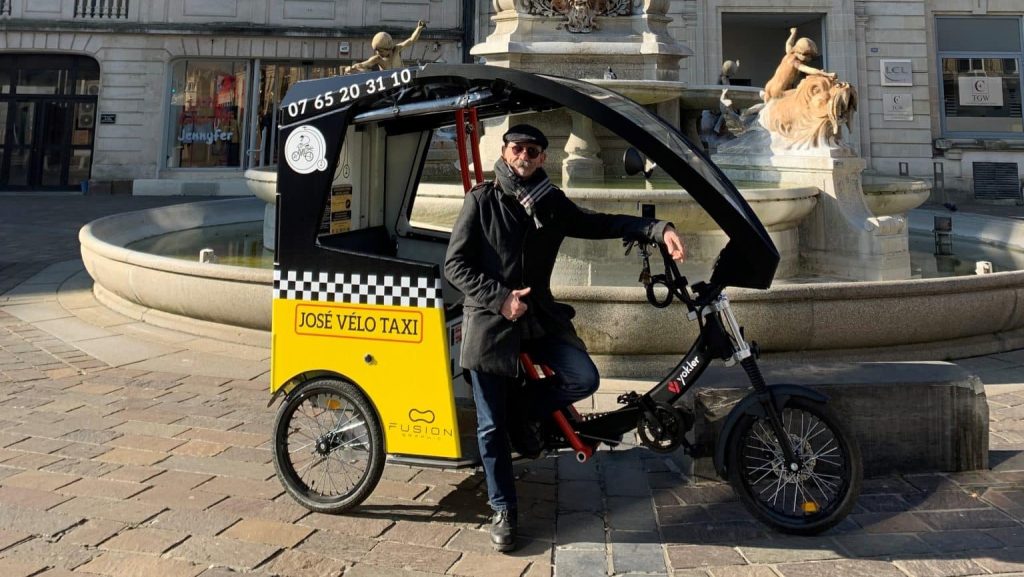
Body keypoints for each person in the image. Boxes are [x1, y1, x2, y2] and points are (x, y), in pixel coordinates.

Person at [444, 124, 685, 552]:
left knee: (583, 378)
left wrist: (656, 229)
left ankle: (521, 414)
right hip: (490, 324)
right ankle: (503, 509)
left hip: (538, 319)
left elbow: (598, 223)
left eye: (532, 150)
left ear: (543, 158)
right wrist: (500, 299)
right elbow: (455, 266)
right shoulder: (481, 200)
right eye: (517, 148)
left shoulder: (549, 203)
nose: (523, 155)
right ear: (504, 151)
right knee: (489, 428)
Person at [763, 27, 836, 101]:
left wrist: (793, 33)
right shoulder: (795, 62)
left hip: (769, 86)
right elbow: (808, 70)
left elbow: (788, 43)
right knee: (802, 93)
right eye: (808, 55)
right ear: (801, 53)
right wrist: (827, 74)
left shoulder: (789, 53)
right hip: (779, 91)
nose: (809, 59)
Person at [344, 20, 426, 74]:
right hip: (390, 86)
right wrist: (351, 68)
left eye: (380, 51)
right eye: (377, 51)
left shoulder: (396, 49)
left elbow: (411, 40)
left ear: (388, 48)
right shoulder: (377, 59)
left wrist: (418, 29)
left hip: (403, 82)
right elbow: (363, 65)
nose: (378, 53)